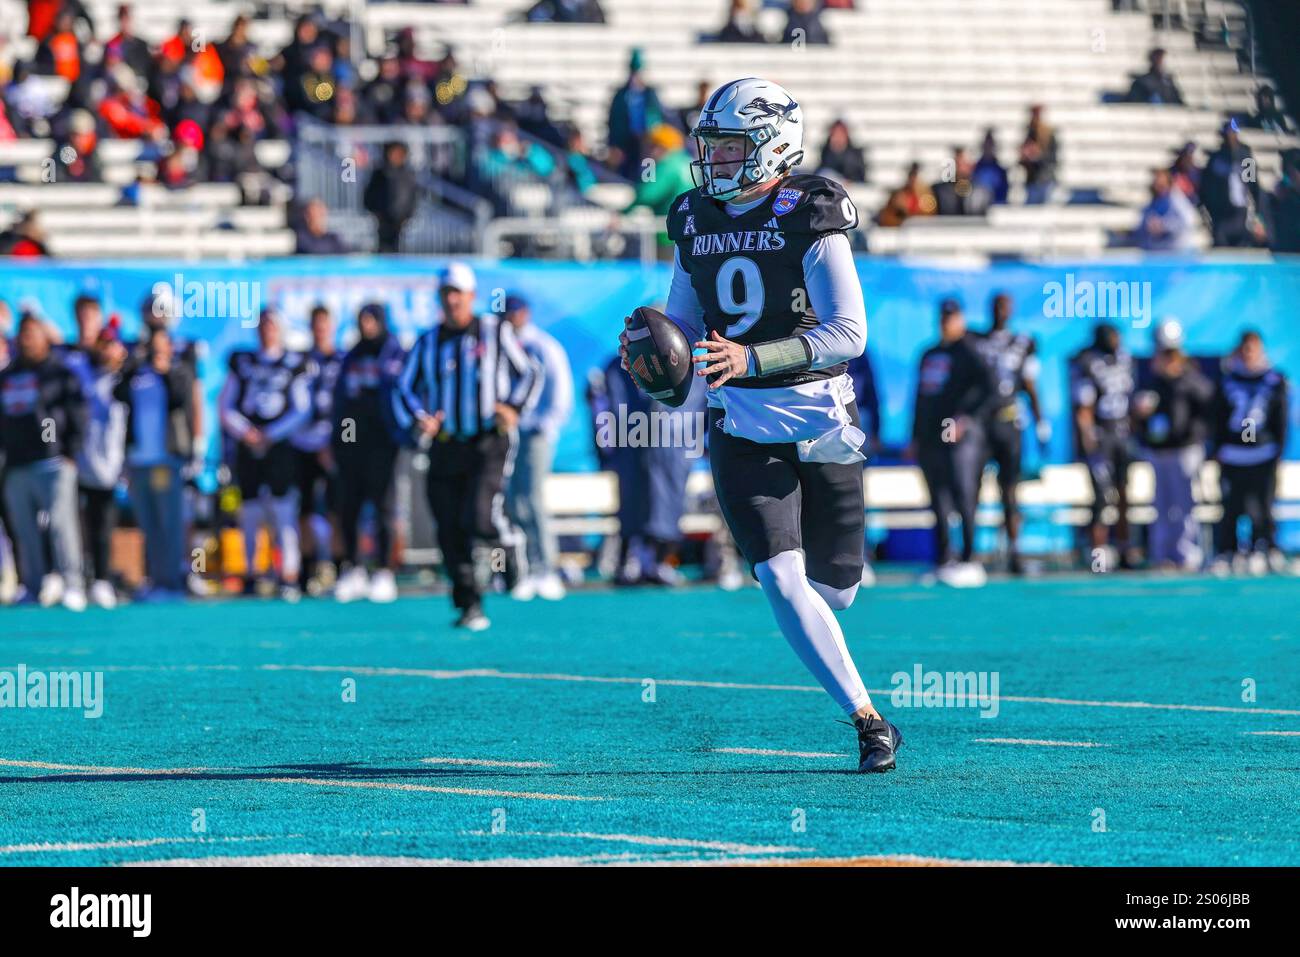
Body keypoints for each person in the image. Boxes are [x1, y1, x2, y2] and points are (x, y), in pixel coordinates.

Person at [623, 77, 904, 773]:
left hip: (822, 419)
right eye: (711, 147)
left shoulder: (808, 208)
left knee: (836, 588)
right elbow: (685, 329)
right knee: (781, 578)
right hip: (743, 424)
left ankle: (857, 687)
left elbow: (850, 332)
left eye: (728, 147)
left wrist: (754, 354)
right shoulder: (694, 216)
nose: (713, 161)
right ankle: (869, 720)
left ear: (772, 145)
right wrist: (662, 365)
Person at [396, 263, 540, 631]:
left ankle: (508, 543)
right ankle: (469, 605)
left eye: (458, 293)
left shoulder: (494, 331)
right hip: (446, 444)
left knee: (478, 515)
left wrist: (513, 407)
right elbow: (404, 387)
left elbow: (530, 372)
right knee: (448, 527)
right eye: (446, 293)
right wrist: (420, 417)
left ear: (471, 296)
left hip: (488, 441)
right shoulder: (428, 341)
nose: (452, 300)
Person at [219, 309, 315, 600]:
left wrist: (270, 435)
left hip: (279, 447)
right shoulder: (243, 362)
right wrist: (247, 433)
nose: (267, 331)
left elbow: (302, 408)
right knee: (248, 511)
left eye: (273, 326)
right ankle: (251, 574)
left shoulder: (295, 363)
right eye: (263, 326)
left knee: (284, 510)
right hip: (248, 446)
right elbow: (225, 405)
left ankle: (289, 574)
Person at [0, 314, 86, 609]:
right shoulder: (8, 375)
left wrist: (71, 452)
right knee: (24, 530)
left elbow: (77, 414)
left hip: (53, 462)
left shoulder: (59, 373)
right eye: (23, 334)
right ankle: (32, 584)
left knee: (61, 526)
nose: (27, 339)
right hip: (16, 464)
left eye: (33, 333)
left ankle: (72, 583)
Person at [911, 299, 996, 588]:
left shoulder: (971, 351)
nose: (947, 323)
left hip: (962, 440)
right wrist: (915, 435)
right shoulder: (929, 353)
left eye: (952, 318)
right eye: (943, 318)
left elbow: (991, 388)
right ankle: (944, 558)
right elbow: (920, 397)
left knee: (964, 494)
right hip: (931, 438)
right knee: (938, 498)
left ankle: (970, 559)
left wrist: (966, 419)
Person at [331, 303, 406, 603]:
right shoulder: (352, 354)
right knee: (349, 505)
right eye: (362, 320)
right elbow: (342, 401)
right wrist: (340, 437)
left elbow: (401, 394)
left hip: (383, 443)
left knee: (384, 506)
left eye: (372, 319)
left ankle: (384, 571)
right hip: (352, 442)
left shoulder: (394, 353)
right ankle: (354, 568)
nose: (367, 325)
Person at [114, 326, 195, 598]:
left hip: (166, 461)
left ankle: (171, 582)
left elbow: (180, 399)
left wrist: (166, 370)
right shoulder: (138, 374)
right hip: (139, 461)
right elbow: (118, 393)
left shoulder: (179, 372)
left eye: (163, 345)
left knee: (168, 524)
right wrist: (131, 364)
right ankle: (155, 580)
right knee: (148, 524)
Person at [969, 293, 1047, 573]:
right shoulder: (976, 340)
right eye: (998, 306)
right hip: (982, 423)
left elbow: (1029, 383)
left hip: (1010, 422)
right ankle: (971, 552)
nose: (1001, 311)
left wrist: (1040, 421)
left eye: (1006, 306)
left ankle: (1015, 550)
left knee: (1010, 489)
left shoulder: (1022, 343)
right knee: (973, 487)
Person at [504, 293, 573, 601]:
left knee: (531, 497)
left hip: (535, 432)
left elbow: (560, 390)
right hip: (507, 433)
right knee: (510, 500)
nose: (512, 318)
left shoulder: (542, 346)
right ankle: (522, 569)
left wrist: (545, 426)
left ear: (527, 313)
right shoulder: (499, 344)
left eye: (516, 312)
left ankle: (546, 568)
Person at [1133, 319, 1214, 571]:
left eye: (1170, 351)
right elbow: (1137, 410)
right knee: (1161, 505)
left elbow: (1208, 404)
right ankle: (1161, 556)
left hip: (1185, 449)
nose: (1166, 357)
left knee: (1184, 504)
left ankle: (1186, 555)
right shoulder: (1149, 376)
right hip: (1158, 451)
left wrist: (1180, 375)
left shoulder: (1191, 377)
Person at [1210, 331, 1288, 576]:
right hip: (1233, 454)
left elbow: (1280, 419)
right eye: (1245, 349)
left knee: (1262, 506)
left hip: (1263, 453)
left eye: (1253, 348)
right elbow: (1218, 418)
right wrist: (1217, 448)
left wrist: (1278, 451)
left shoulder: (1275, 380)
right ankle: (1228, 551)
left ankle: (1264, 548)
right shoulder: (1227, 380)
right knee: (1231, 506)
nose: (1249, 354)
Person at [1071, 323, 1138, 569]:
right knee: (1101, 497)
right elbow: (1083, 408)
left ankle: (1124, 549)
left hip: (1121, 434)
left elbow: (1130, 399)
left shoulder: (1124, 360)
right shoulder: (1088, 362)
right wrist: (1089, 440)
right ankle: (1098, 555)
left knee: (1124, 494)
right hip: (1101, 436)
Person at [75, 320, 128, 607]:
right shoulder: (80, 373)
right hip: (81, 460)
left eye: (112, 345)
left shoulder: (127, 379)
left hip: (112, 464)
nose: (108, 352)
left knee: (104, 524)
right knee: (76, 524)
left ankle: (102, 580)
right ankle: (76, 578)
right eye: (103, 345)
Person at [292, 305, 343, 593]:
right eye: (316, 324)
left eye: (325, 323)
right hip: (302, 444)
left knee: (337, 509)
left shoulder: (343, 360)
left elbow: (349, 406)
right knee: (305, 509)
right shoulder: (300, 360)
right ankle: (306, 572)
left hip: (334, 444)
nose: (320, 329)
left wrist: (339, 443)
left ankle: (339, 568)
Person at [1201, 119, 1264, 248]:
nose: (1230, 137)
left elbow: (1253, 185)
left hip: (1240, 211)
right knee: (1221, 243)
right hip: (1221, 212)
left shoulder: (1246, 157)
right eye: (1227, 134)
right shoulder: (1216, 159)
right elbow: (1207, 187)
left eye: (1233, 133)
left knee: (1242, 244)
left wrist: (1258, 212)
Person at [363, 142, 419, 253]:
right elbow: (369, 196)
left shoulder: (408, 175)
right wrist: (377, 214)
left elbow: (412, 198)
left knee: (399, 250)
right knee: (383, 248)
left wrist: (406, 216)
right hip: (383, 222)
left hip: (401, 222)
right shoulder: (380, 174)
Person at [1134, 168, 1199, 251]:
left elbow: (1188, 221)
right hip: (1157, 252)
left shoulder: (1177, 199)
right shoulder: (1153, 202)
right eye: (1155, 180)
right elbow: (1143, 224)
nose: (1156, 183)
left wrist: (1164, 226)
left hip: (1176, 251)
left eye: (1159, 179)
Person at [1019, 105, 1057, 205]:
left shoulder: (1048, 134)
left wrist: (1038, 155)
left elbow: (1053, 158)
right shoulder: (1029, 133)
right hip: (1032, 180)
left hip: (1046, 180)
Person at [816, 119, 867, 184]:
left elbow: (860, 176)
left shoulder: (856, 154)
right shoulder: (826, 153)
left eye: (840, 134)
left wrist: (849, 181)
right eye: (835, 134)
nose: (838, 137)